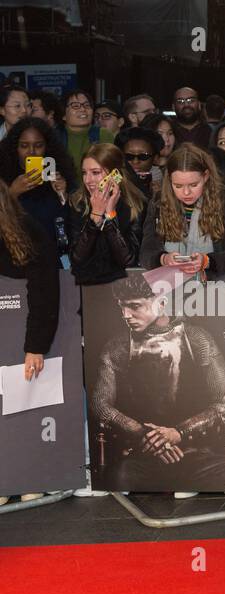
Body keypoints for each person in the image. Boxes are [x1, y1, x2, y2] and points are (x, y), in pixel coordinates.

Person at [90, 272, 225, 490]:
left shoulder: (196, 338)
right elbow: (100, 404)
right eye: (122, 307)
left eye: (135, 306)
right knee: (118, 478)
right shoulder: (118, 347)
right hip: (141, 454)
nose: (125, 315)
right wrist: (149, 436)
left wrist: (179, 433)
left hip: (195, 453)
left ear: (162, 303)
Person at [0, 182, 60, 506]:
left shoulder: (27, 232)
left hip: (22, 340)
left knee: (24, 410)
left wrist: (35, 345)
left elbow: (45, 291)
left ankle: (29, 479)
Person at [139, 144, 225, 279]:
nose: (186, 192)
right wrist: (163, 259)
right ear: (169, 180)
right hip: (169, 290)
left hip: (217, 289)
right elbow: (146, 251)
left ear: (206, 176)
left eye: (193, 185)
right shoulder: (158, 203)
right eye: (178, 186)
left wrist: (208, 261)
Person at [66, 143, 146, 286]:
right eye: (84, 173)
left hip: (127, 288)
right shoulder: (77, 203)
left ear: (114, 175)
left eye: (95, 172)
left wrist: (110, 214)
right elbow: (77, 258)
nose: (88, 180)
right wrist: (95, 216)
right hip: (89, 289)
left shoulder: (135, 205)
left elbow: (128, 260)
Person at [0, 118, 74, 261]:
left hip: (51, 256)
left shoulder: (59, 175)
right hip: (12, 257)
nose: (31, 152)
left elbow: (68, 226)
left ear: (47, 147)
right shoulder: (3, 176)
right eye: (24, 146)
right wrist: (12, 194)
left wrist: (63, 195)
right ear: (15, 148)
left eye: (38, 145)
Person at [54, 89, 115, 185]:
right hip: (63, 194)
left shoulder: (103, 135)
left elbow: (117, 172)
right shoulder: (54, 137)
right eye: (75, 106)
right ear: (63, 115)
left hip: (98, 193)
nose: (83, 109)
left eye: (87, 105)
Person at [115, 126, 164, 196]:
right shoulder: (114, 179)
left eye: (143, 156)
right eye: (129, 156)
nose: (135, 161)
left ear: (155, 158)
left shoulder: (165, 185)